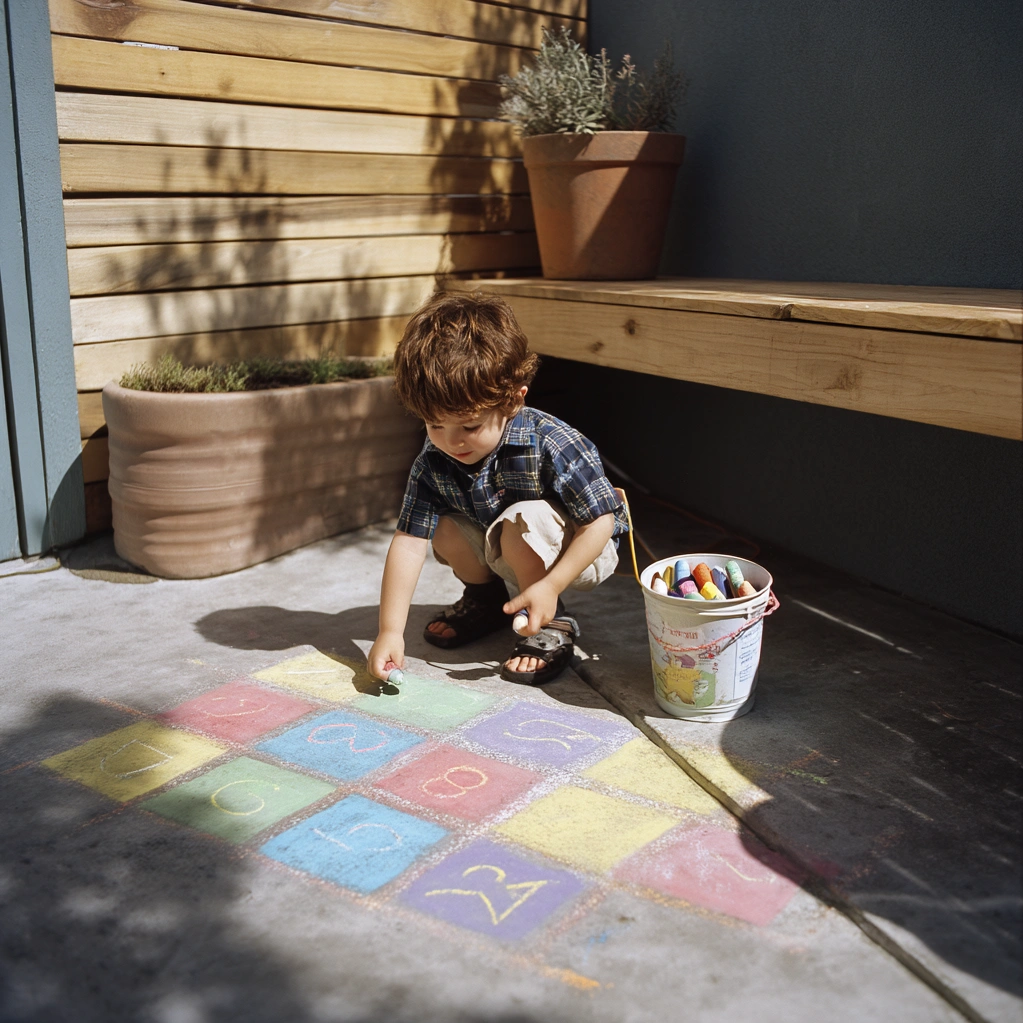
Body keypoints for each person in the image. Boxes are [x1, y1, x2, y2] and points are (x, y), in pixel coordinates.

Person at [367, 291, 626, 686]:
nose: (452, 441)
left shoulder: (551, 442)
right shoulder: (434, 460)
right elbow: (408, 541)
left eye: (469, 426)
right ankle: (486, 602)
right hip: (505, 541)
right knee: (439, 523)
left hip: (583, 549)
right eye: (434, 425)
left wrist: (550, 586)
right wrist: (389, 630)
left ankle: (552, 623)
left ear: (512, 400)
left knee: (523, 517)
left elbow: (601, 522)